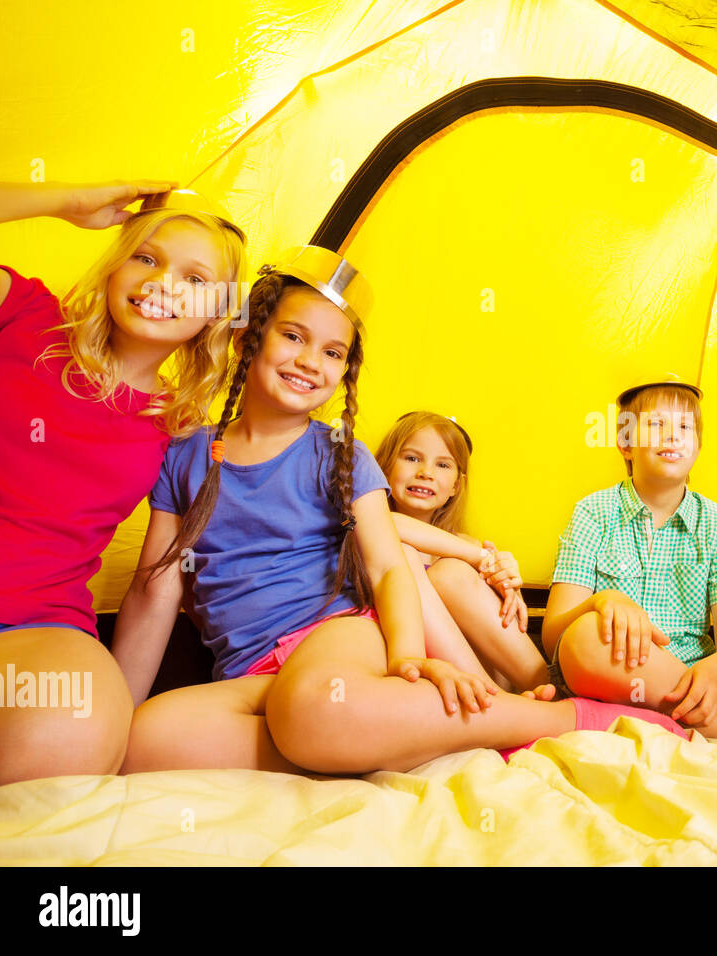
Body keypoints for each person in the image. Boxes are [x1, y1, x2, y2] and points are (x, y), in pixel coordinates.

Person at [113, 248, 682, 774]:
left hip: (333, 638)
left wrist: (409, 657)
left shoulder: (339, 455)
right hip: (249, 672)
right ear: (249, 339)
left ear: (344, 372)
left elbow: (389, 568)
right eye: (293, 337)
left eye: (332, 353)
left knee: (314, 709)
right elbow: (152, 590)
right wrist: (121, 707)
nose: (310, 361)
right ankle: (378, 738)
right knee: (145, 740)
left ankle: (559, 719)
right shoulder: (186, 456)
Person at [0, 180, 245, 786]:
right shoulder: (21, 313)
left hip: (33, 630)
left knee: (76, 721)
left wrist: (114, 729)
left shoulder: (180, 432)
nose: (162, 284)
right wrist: (61, 200)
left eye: (196, 280)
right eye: (146, 258)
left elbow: (156, 587)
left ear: (219, 314)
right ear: (115, 264)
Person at [542, 377, 717, 736]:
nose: (673, 435)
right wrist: (602, 601)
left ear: (697, 446)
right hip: (619, 670)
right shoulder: (593, 512)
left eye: (684, 426)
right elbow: (554, 637)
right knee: (584, 638)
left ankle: (692, 704)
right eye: (656, 424)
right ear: (626, 445)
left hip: (698, 671)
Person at [375, 411, 551, 694]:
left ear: (456, 486)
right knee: (412, 555)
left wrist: (503, 581)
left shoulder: (469, 548)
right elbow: (388, 525)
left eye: (443, 465)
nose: (426, 472)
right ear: (383, 470)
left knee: (453, 572)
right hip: (414, 673)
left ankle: (547, 689)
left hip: (488, 674)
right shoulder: (372, 528)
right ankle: (501, 703)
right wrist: (479, 557)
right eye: (411, 458)